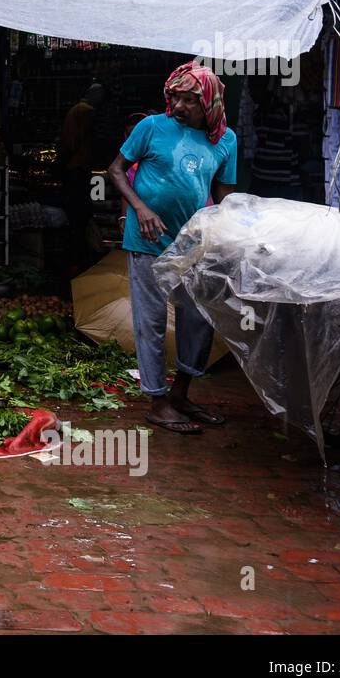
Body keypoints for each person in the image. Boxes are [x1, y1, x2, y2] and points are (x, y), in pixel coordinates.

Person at [107, 62, 237, 436]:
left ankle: (181, 393)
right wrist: (140, 208)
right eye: (174, 97)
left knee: (198, 320)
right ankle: (157, 401)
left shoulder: (225, 141)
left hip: (194, 244)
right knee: (150, 323)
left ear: (208, 103)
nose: (178, 106)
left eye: (189, 100)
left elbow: (224, 196)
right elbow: (116, 170)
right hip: (147, 240)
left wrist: (225, 237)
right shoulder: (151, 128)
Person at [57, 83, 106, 268]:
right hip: (78, 167)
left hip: (76, 167)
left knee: (80, 212)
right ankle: (82, 254)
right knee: (82, 213)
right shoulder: (85, 111)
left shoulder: (78, 110)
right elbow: (75, 140)